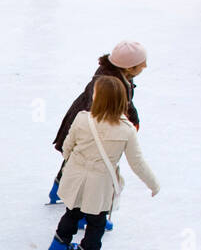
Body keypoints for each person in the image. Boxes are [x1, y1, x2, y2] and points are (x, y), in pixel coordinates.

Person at [46, 77, 159, 250]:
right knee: (96, 222)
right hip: (99, 184)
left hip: (76, 177)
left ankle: (58, 245)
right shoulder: (126, 130)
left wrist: (74, 164)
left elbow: (67, 146)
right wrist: (153, 185)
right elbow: (137, 163)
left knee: (71, 212)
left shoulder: (82, 118)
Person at [49, 40, 147, 205]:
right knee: (83, 163)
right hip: (86, 127)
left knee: (77, 161)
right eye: (141, 64)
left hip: (90, 125)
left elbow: (126, 101)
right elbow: (95, 112)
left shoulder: (121, 76)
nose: (145, 66)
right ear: (130, 67)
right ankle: (77, 206)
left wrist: (133, 117)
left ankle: (58, 191)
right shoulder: (105, 83)